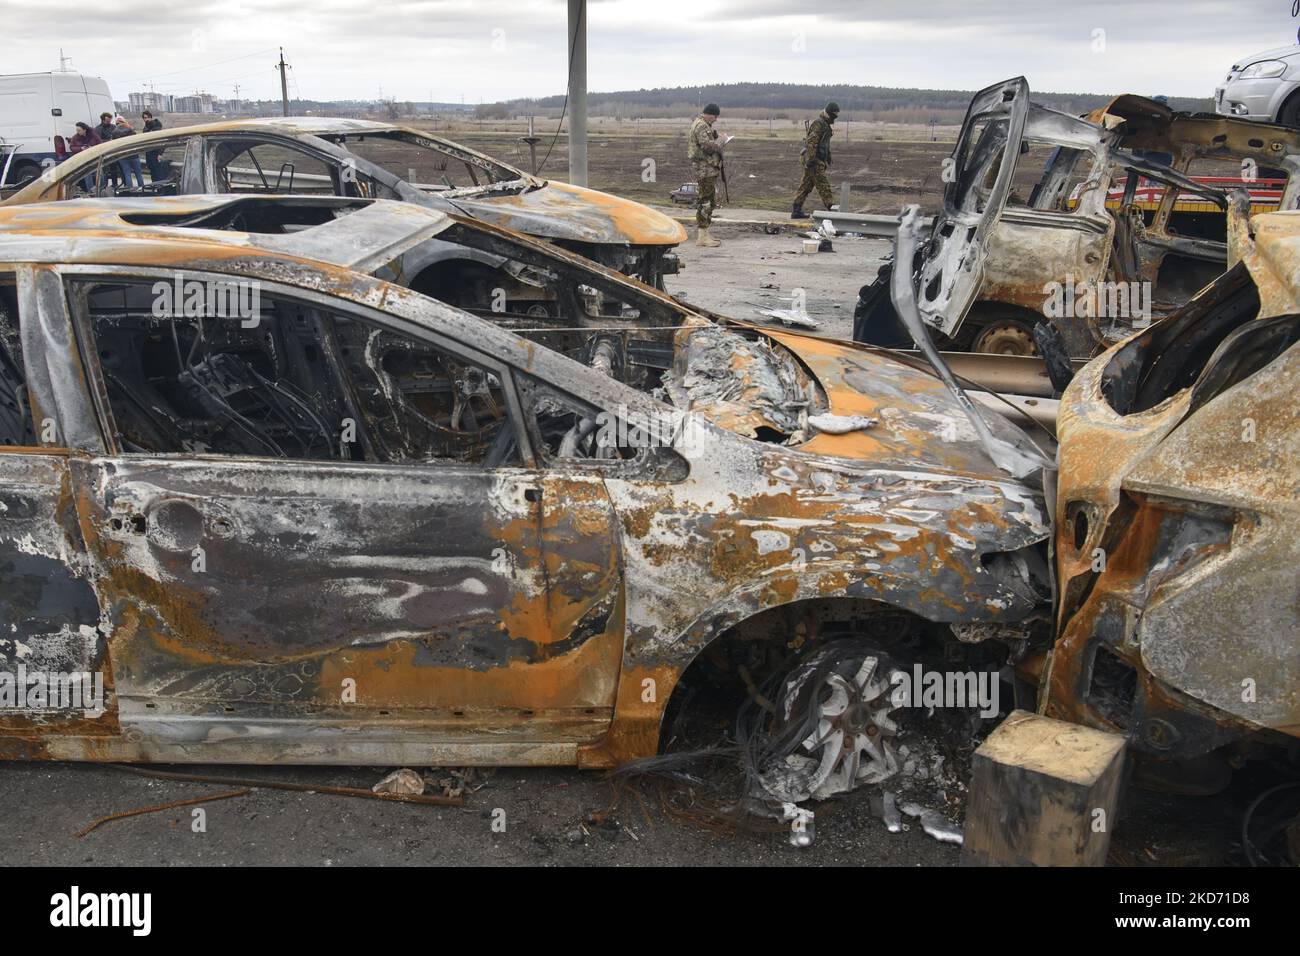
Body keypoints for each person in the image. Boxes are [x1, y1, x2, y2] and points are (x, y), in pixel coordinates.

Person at [687, 103, 725, 247]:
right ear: (709, 114)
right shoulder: (702, 125)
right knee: (706, 201)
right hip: (705, 169)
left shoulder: (701, 124)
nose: (715, 119)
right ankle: (702, 236)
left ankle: (705, 234)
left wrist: (715, 137)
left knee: (709, 200)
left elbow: (706, 142)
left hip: (707, 168)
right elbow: (707, 147)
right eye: (715, 116)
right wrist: (721, 141)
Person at [792, 101, 839, 219]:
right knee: (823, 185)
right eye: (834, 114)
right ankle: (832, 209)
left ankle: (796, 210)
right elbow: (812, 142)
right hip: (814, 161)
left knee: (806, 186)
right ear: (829, 113)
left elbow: (824, 143)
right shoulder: (819, 124)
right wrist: (812, 159)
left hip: (817, 159)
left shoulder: (825, 124)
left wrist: (828, 156)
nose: (835, 117)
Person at [113, 116, 146, 190]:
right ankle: (142, 188)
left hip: (123, 156)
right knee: (138, 174)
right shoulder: (130, 129)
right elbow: (136, 141)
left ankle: (130, 189)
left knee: (127, 174)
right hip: (133, 155)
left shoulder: (114, 132)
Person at [69, 122, 102, 193]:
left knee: (98, 173)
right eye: (77, 130)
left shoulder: (94, 136)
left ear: (85, 130)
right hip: (83, 159)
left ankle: (100, 189)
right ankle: (91, 191)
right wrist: (81, 148)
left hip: (94, 158)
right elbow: (72, 147)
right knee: (87, 174)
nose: (77, 132)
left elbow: (100, 145)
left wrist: (92, 148)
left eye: (79, 130)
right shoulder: (75, 137)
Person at [141, 110, 164, 181]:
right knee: (152, 171)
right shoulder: (145, 128)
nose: (146, 119)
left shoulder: (156, 126)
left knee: (158, 172)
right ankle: (154, 187)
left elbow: (161, 141)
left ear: (150, 117)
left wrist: (160, 153)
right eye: (144, 118)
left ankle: (159, 188)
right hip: (149, 151)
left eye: (147, 117)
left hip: (156, 152)